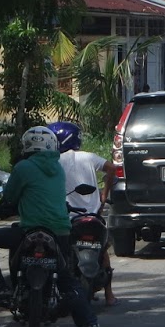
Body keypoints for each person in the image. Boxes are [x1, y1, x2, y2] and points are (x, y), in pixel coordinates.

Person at [0, 125, 100, 327]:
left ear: (26, 146)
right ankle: (90, 322)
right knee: (66, 278)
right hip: (59, 232)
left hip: (29, 231)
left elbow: (10, 196)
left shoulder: (23, 168)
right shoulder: (57, 168)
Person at [47, 121, 116, 306]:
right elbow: (112, 168)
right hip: (94, 215)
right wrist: (104, 194)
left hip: (69, 216)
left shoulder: (54, 162)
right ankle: (109, 295)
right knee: (103, 249)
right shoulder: (89, 157)